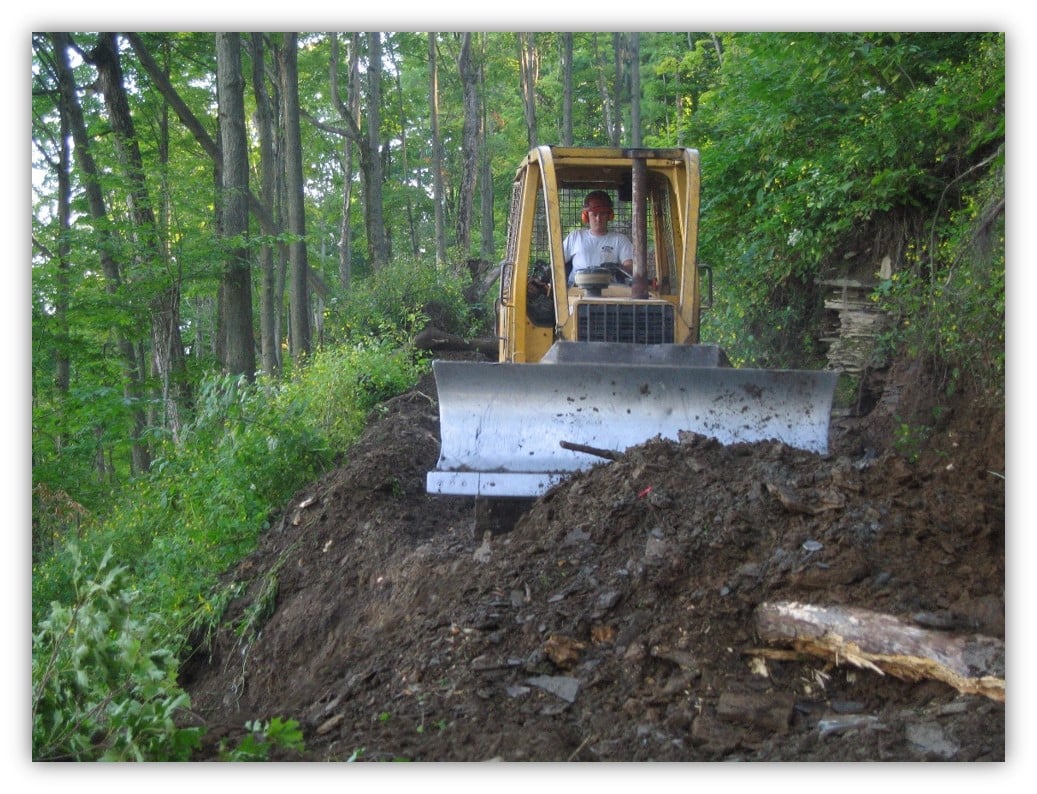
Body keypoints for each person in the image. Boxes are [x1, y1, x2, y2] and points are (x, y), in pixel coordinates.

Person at [562, 191, 634, 286]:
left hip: (610, 294)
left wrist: (617, 268)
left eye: (603, 214)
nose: (598, 219)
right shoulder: (575, 236)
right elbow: (557, 263)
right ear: (586, 216)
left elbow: (631, 267)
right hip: (577, 291)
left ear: (610, 216)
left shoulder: (620, 240)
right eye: (594, 214)